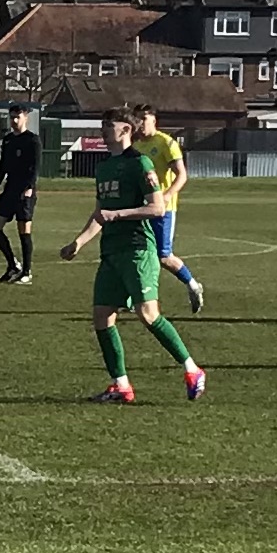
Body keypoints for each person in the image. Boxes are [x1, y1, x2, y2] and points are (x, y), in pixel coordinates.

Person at [59, 108, 206, 405]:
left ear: (126, 130)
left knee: (148, 314)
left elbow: (157, 208)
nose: (103, 130)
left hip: (138, 249)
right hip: (111, 253)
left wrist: (120, 214)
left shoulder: (140, 163)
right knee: (102, 316)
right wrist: (79, 242)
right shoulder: (103, 168)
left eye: (108, 125)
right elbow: (100, 213)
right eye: (102, 125)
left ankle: (192, 370)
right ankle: (121, 385)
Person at [131, 104, 203, 313]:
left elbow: (182, 174)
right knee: (138, 251)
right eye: (138, 120)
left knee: (163, 256)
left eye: (144, 119)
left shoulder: (166, 143)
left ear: (154, 120)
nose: (141, 124)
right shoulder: (136, 146)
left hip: (163, 210)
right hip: (141, 208)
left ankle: (192, 285)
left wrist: (167, 195)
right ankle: (136, 298)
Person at [0, 105, 41, 284]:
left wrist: (30, 187)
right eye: (12, 118)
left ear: (26, 118)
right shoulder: (9, 140)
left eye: (17, 117)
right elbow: (3, 165)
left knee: (23, 230)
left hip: (25, 191)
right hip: (9, 189)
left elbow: (35, 167)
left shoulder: (33, 140)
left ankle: (27, 271)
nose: (14, 121)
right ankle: (12, 265)